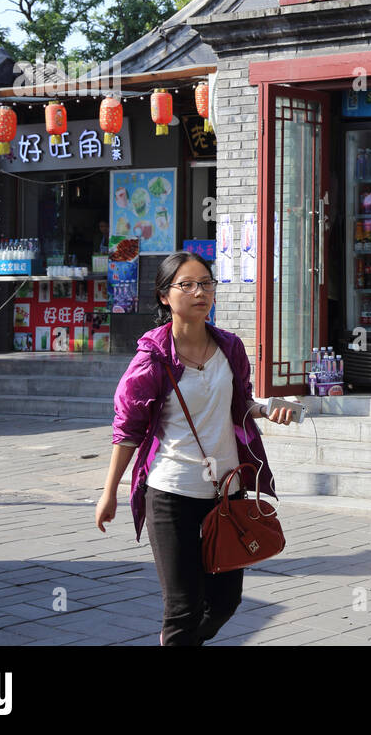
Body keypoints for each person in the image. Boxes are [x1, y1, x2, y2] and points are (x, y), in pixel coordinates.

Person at [95, 251, 296, 645]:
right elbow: (128, 430)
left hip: (225, 494)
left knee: (225, 601)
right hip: (172, 493)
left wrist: (267, 409)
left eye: (205, 283)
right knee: (183, 609)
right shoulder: (151, 359)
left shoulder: (230, 348)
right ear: (165, 296)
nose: (199, 291)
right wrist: (109, 493)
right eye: (186, 284)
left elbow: (240, 404)